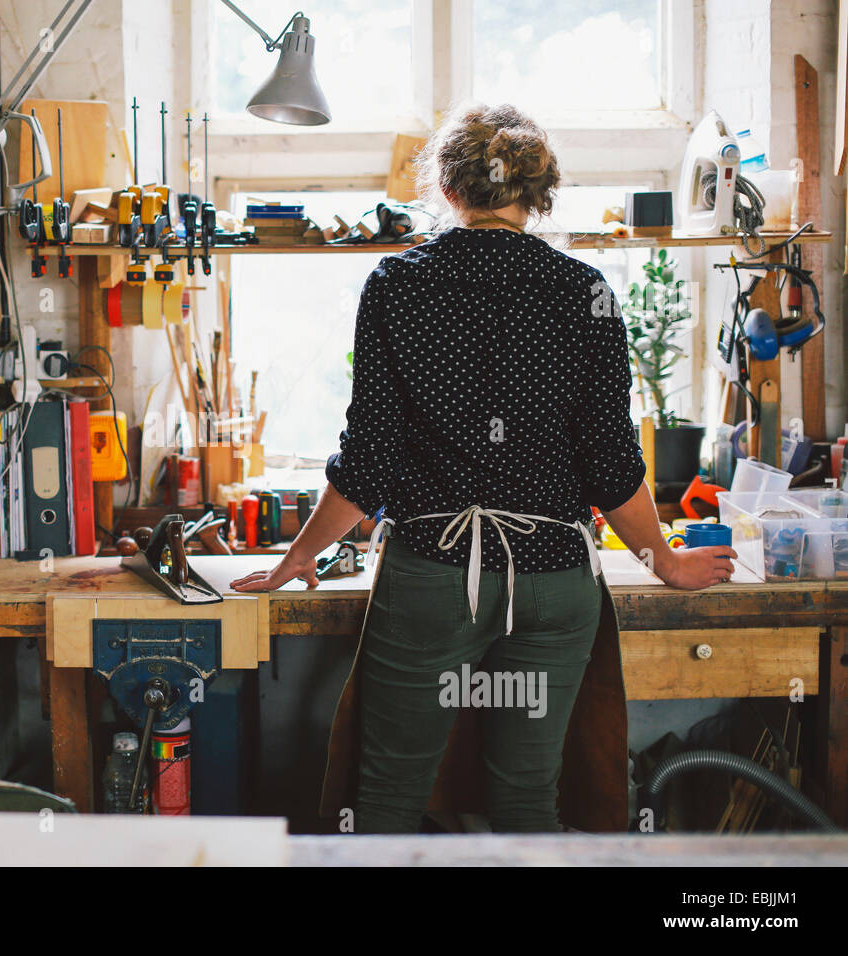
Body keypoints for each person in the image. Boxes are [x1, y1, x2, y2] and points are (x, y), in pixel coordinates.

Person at [231, 103, 737, 834]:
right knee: (529, 797)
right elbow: (610, 458)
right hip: (556, 577)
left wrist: (299, 556)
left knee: (389, 795)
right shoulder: (583, 289)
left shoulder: (397, 285)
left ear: (447, 185)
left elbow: (369, 458)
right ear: (538, 192)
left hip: (434, 575)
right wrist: (664, 559)